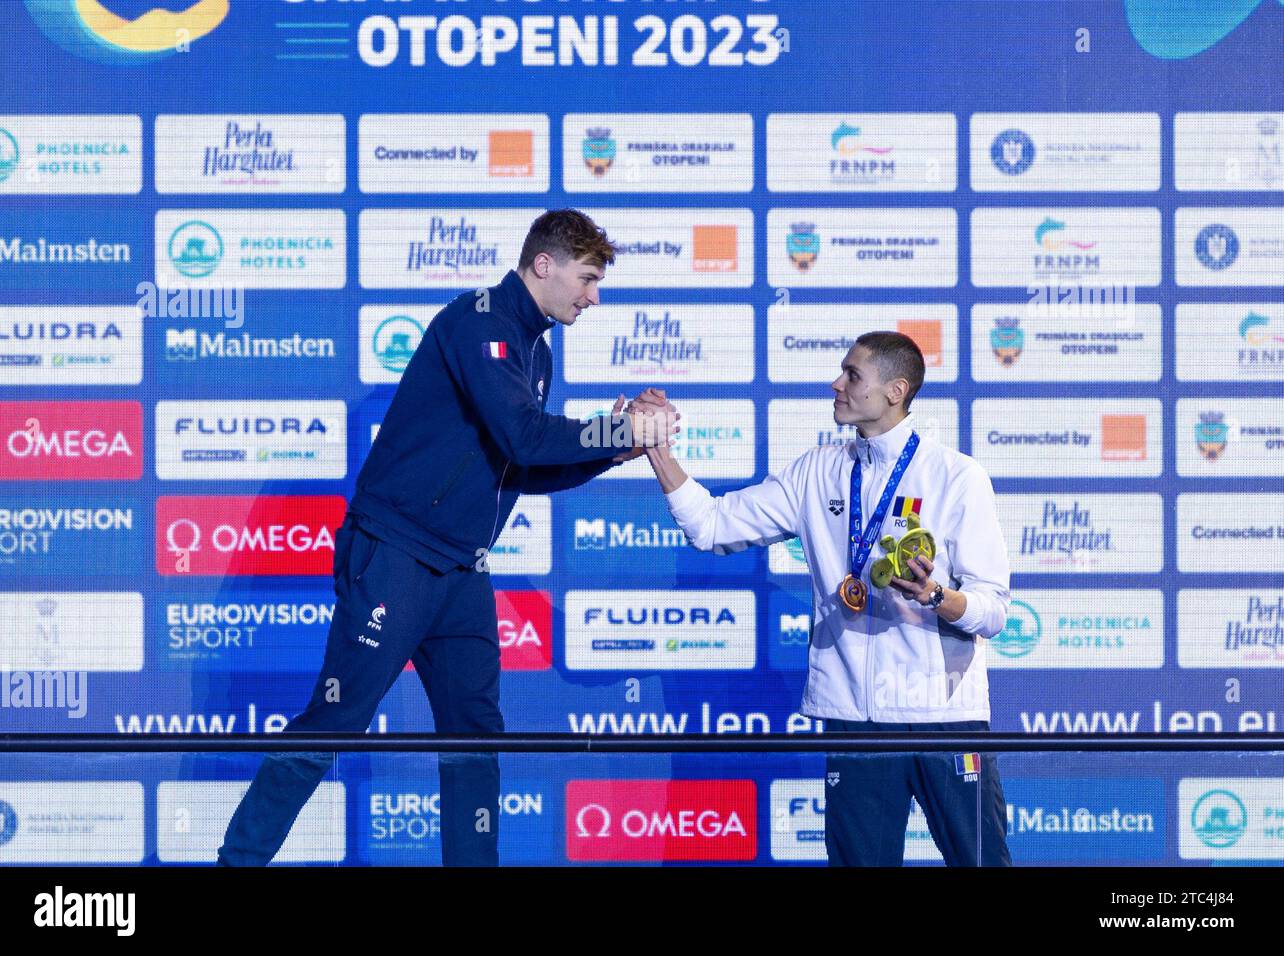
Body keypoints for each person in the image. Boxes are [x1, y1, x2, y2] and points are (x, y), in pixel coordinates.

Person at [218, 209, 675, 866]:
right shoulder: (482, 320)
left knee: (475, 741)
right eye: (587, 278)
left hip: (462, 570)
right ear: (544, 264)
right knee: (333, 723)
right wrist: (620, 431)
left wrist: (615, 448)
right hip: (396, 556)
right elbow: (524, 435)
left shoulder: (535, 349)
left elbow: (518, 468)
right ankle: (235, 865)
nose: (594, 296)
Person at [638, 330, 1012, 866]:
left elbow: (994, 610)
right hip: (852, 720)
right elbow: (712, 525)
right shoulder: (817, 470)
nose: (836, 383)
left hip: (944, 715)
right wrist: (658, 449)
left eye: (852, 375)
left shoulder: (956, 477)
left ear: (895, 391)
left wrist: (934, 595)